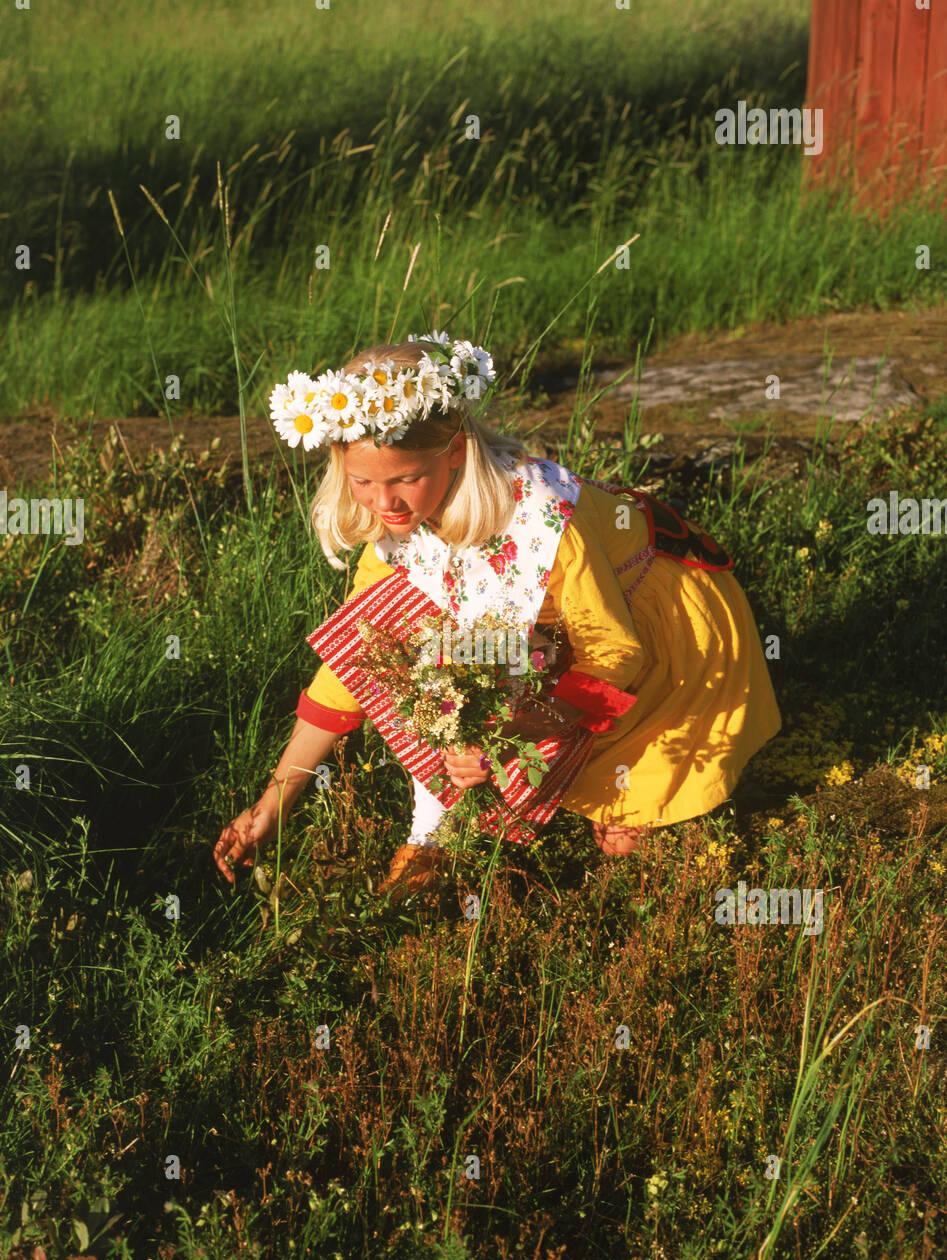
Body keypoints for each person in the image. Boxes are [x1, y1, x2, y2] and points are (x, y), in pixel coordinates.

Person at [213, 332, 781, 898]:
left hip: (666, 637)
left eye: (406, 479)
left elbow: (615, 654)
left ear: (456, 450)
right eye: (363, 483)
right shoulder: (395, 529)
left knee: (626, 830)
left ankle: (618, 761)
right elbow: (356, 663)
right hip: (550, 641)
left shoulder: (543, 518)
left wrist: (511, 734)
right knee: (392, 630)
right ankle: (432, 836)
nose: (386, 504)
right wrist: (276, 801)